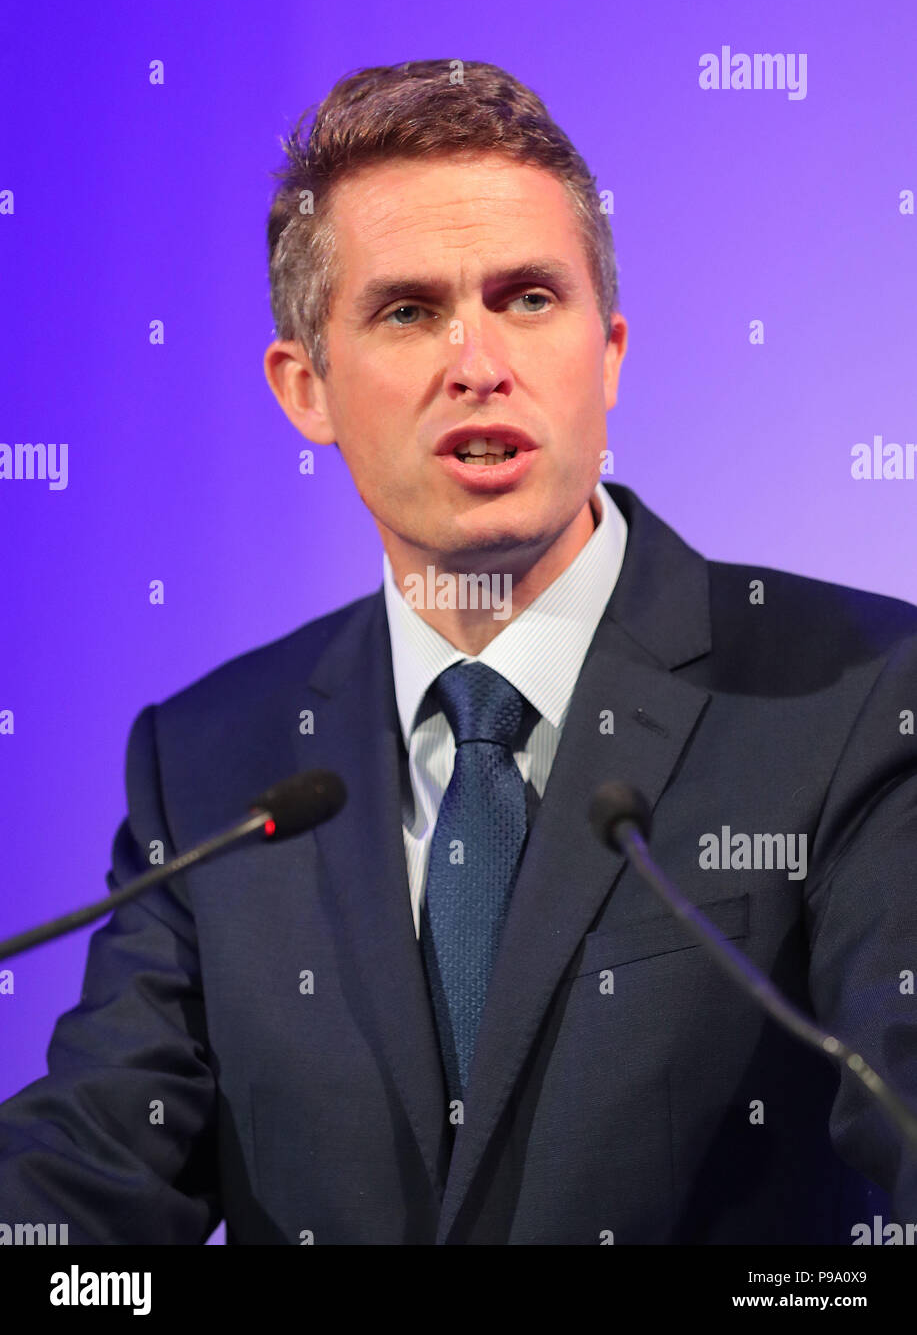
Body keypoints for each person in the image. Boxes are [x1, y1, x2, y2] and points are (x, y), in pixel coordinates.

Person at [1, 60, 915, 1245]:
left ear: (611, 352)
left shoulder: (851, 693)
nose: (478, 361)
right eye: (407, 310)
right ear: (304, 387)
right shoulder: (212, 760)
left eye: (529, 298)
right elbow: (97, 1159)